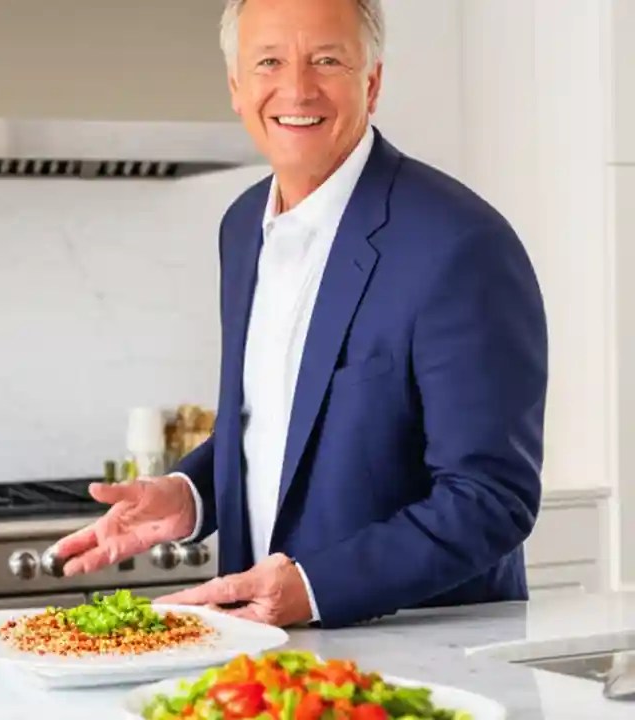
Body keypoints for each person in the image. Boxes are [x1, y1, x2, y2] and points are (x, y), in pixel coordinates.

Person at [50, 0, 548, 630]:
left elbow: (490, 499)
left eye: (326, 60)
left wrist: (313, 589)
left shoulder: (459, 243)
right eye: (269, 62)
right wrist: (192, 494)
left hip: (416, 663)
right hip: (263, 658)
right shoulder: (242, 227)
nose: (296, 88)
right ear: (236, 86)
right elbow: (280, 421)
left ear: (371, 82)